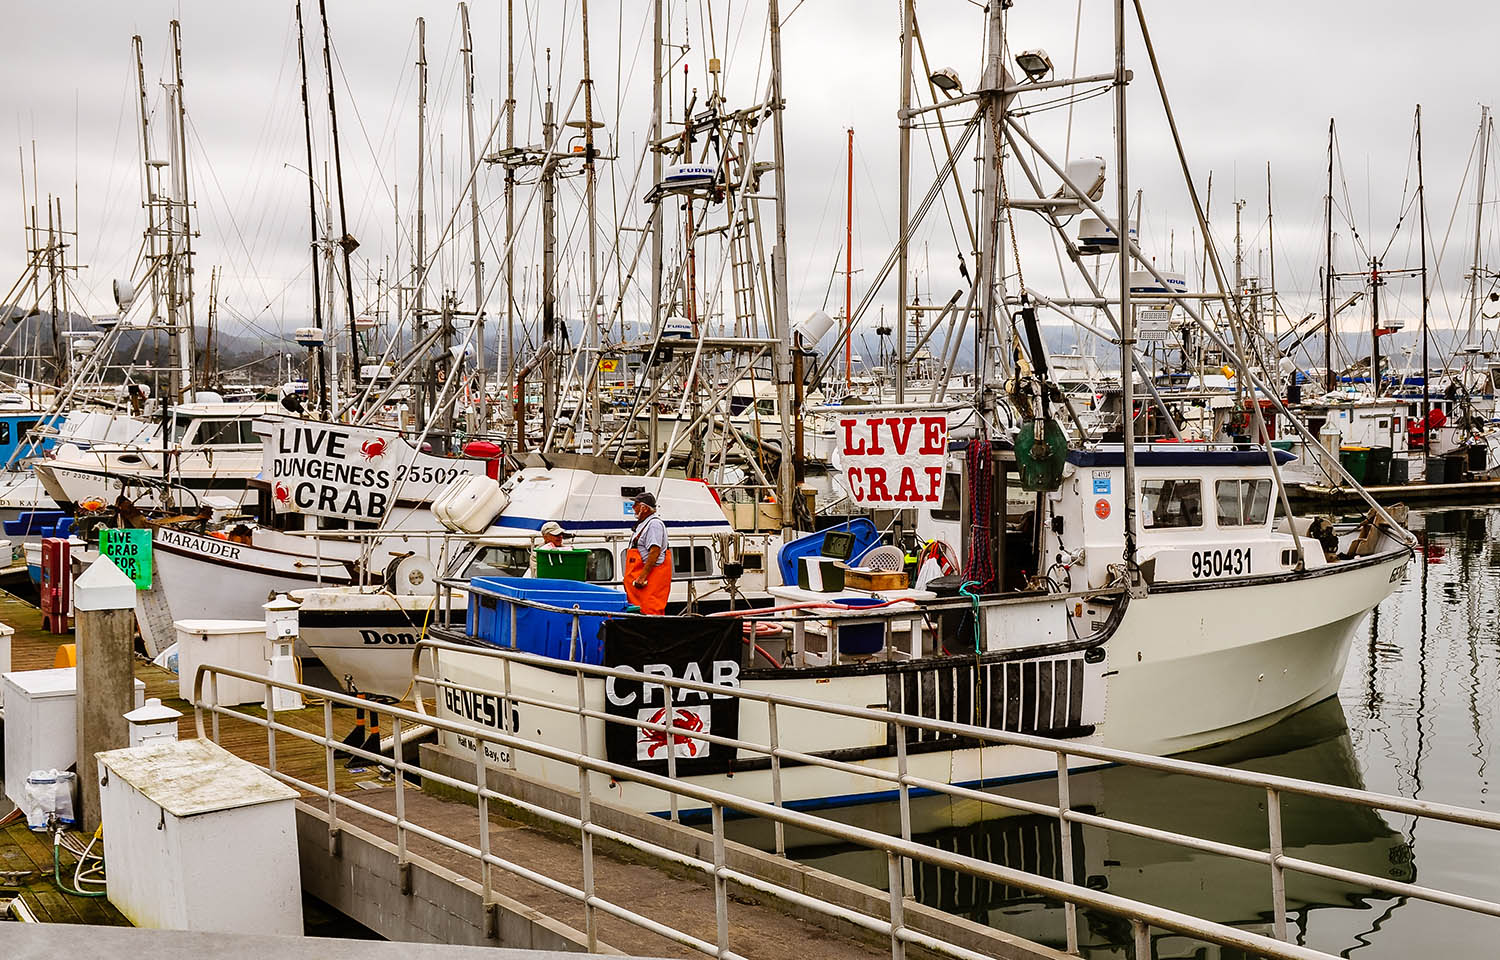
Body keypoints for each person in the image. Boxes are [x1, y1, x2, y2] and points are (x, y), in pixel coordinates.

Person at [625, 491, 671, 615]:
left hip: (649, 583)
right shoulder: (643, 524)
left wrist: (642, 577)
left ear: (644, 508)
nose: (633, 507)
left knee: (650, 611)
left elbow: (654, 551)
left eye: (636, 504)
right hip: (639, 588)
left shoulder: (654, 524)